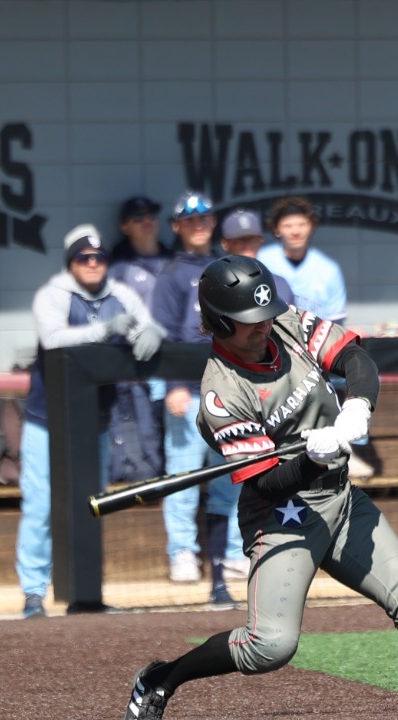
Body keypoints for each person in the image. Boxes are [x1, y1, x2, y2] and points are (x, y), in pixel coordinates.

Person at [123, 255, 398, 720]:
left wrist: (359, 404)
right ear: (219, 322)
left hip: (340, 497)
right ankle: (162, 679)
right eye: (249, 323)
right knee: (269, 647)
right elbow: (269, 480)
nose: (263, 327)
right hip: (281, 515)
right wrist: (315, 456)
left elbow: (356, 360)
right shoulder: (220, 393)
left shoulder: (287, 322)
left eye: (265, 315)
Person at [17, 224, 163, 618]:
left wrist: (151, 332)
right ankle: (33, 591)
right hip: (45, 420)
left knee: (91, 505)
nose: (93, 263)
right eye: (84, 257)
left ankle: (86, 591)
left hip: (96, 421)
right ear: (72, 262)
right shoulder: (53, 293)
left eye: (99, 257)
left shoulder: (122, 293)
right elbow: (52, 339)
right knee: (41, 506)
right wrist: (104, 330)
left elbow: (149, 322)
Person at [150, 193, 247, 604]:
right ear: (176, 226)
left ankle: (231, 553)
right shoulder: (170, 273)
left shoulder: (223, 266)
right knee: (183, 476)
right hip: (187, 392)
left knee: (231, 475)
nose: (198, 224)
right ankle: (183, 552)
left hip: (227, 388)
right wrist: (172, 383)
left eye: (205, 218)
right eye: (190, 220)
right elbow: (166, 335)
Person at [256, 195, 347, 323]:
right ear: (276, 229)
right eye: (288, 226)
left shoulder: (329, 269)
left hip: (316, 339)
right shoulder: (261, 261)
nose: (296, 231)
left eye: (302, 224)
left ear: (311, 227)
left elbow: (336, 321)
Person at [109, 195, 173, 303]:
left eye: (151, 215)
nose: (147, 221)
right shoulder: (117, 268)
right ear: (125, 228)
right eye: (138, 217)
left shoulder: (174, 260)